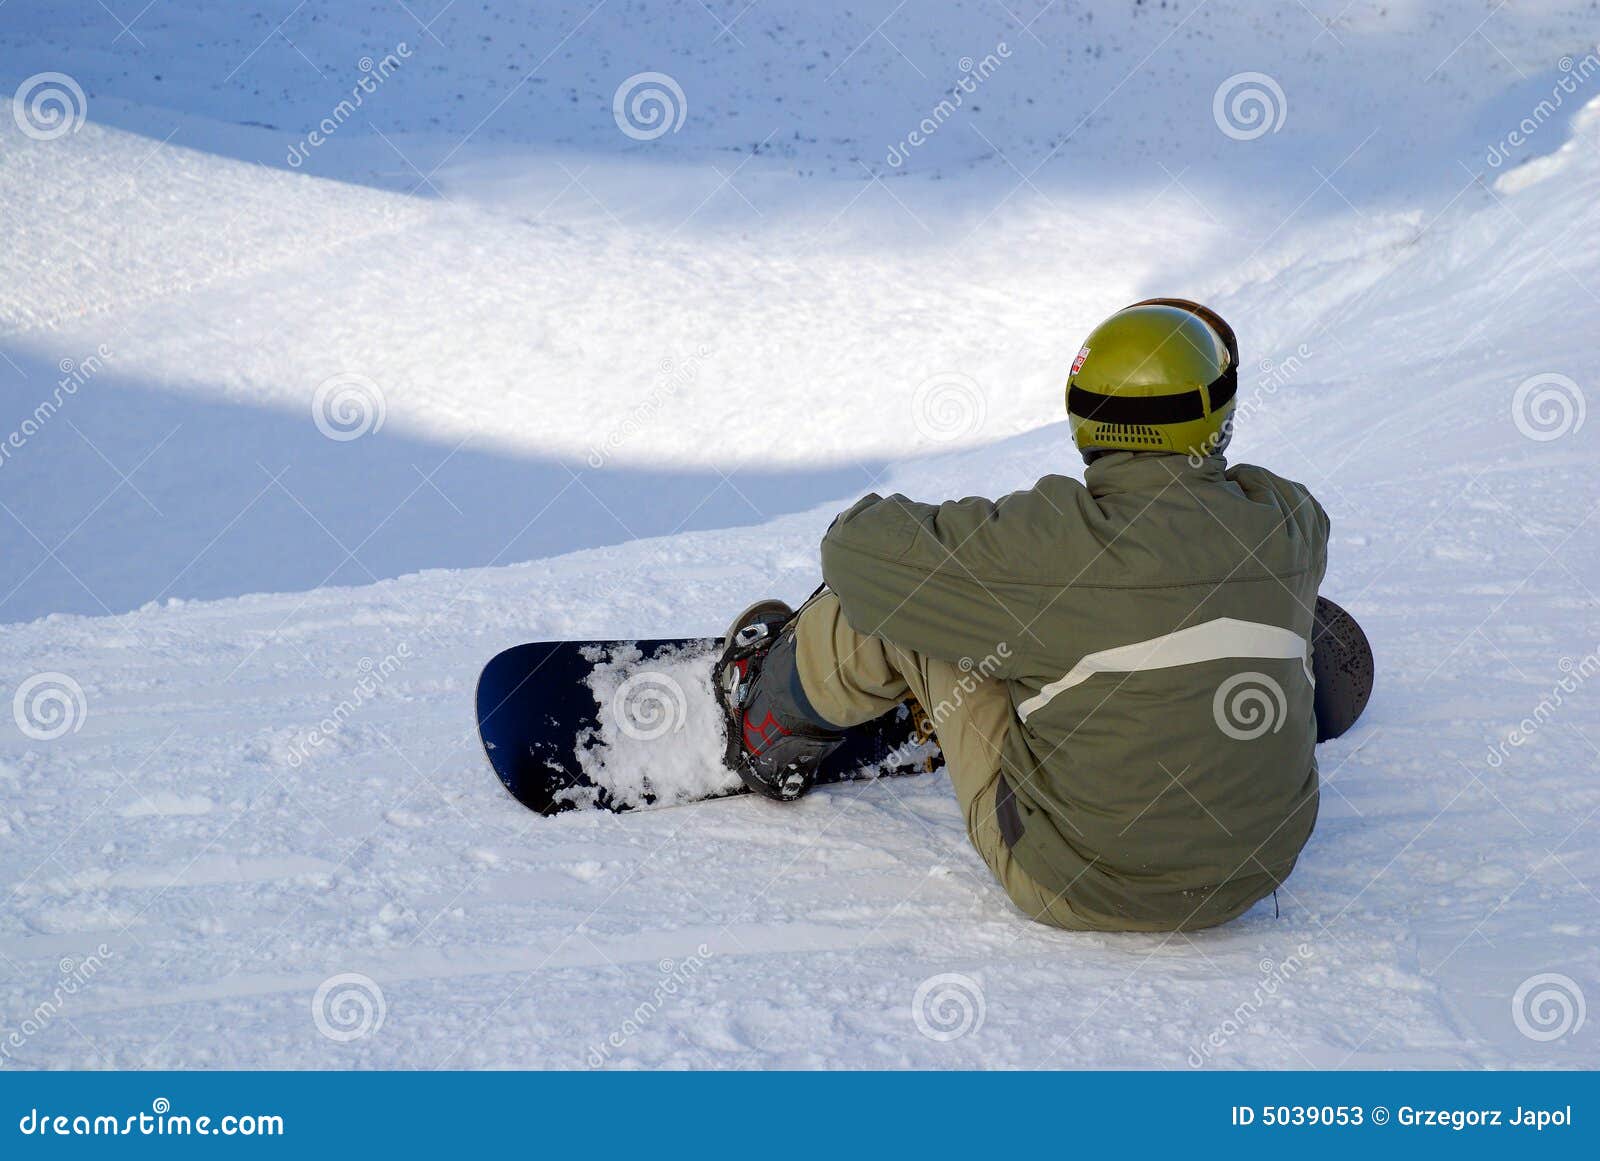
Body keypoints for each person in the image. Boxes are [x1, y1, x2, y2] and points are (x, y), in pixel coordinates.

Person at [714, 299, 1329, 932]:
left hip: (1076, 880)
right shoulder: (1292, 520)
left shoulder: (1048, 543)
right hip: (1256, 871)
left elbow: (852, 554)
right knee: (1202, 614)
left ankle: (768, 727)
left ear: (1084, 416)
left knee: (907, 602)